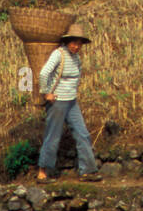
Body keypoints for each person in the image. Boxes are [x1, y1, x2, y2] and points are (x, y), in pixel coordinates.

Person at [37, 27, 99, 181]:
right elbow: (44, 73)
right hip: (57, 102)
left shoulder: (76, 58)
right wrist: (46, 93)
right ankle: (43, 172)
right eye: (73, 43)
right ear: (67, 42)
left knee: (82, 133)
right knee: (53, 136)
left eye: (79, 44)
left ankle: (87, 171)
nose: (76, 46)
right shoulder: (59, 54)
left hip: (71, 102)